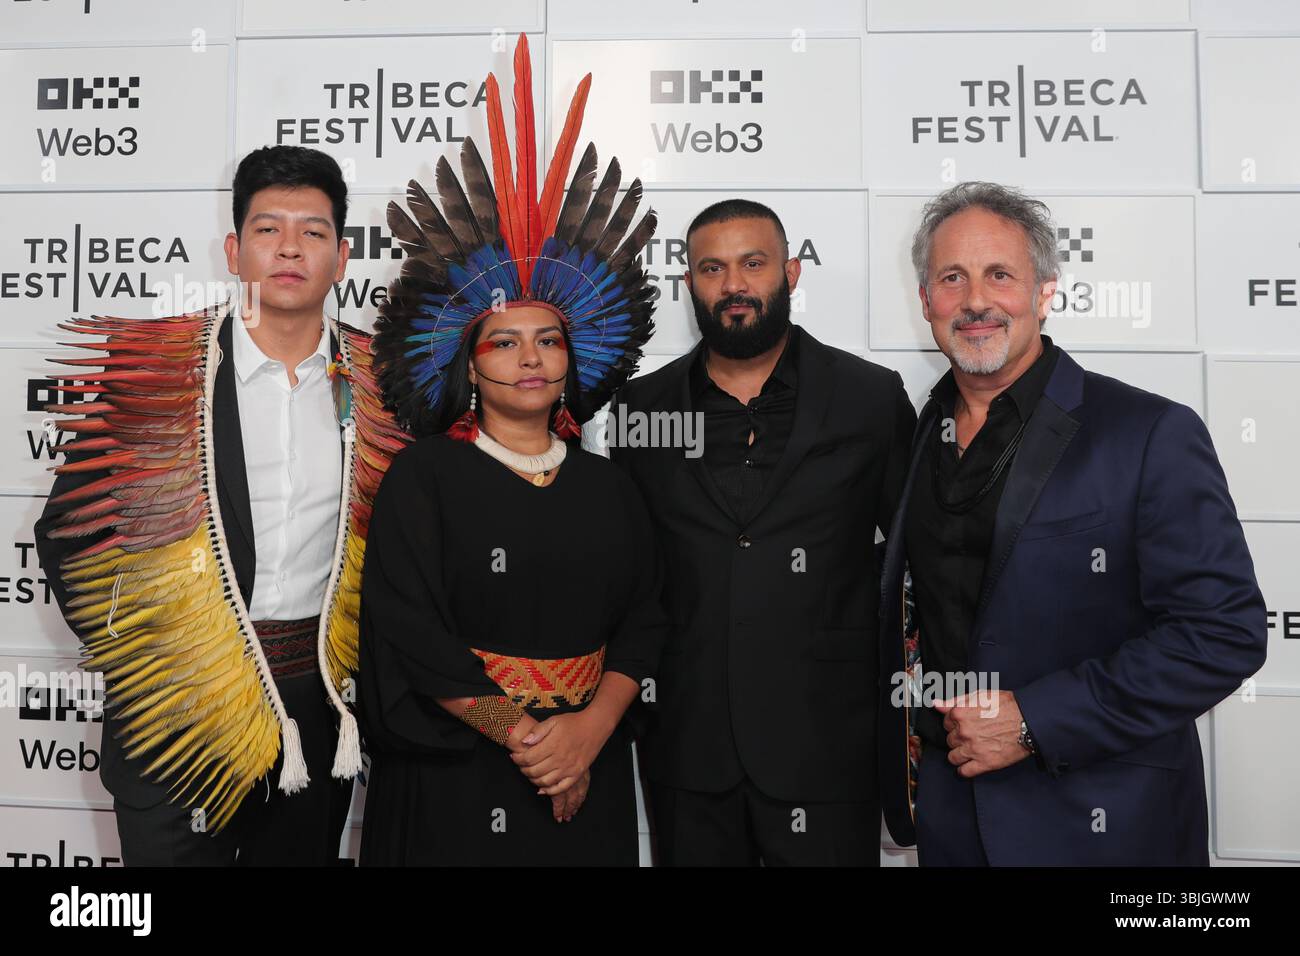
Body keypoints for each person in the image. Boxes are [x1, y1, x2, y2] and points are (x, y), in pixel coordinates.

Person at [34, 145, 404, 865]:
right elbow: (68, 535)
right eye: (267, 229)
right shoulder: (154, 371)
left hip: (314, 704)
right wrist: (153, 651)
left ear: (343, 256)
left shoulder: (384, 385)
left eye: (313, 231)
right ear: (234, 251)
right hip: (174, 709)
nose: (289, 247)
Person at [878, 181, 1267, 865]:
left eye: (1000, 275)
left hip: (1104, 826)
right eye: (951, 278)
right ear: (925, 302)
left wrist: (1034, 721)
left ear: (1044, 292)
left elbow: (1223, 633)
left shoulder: (1146, 432)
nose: (974, 301)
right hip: (953, 825)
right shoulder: (915, 434)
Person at [355, 33, 666, 866]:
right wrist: (531, 741)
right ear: (467, 363)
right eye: (503, 343)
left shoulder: (611, 487)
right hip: (454, 778)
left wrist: (587, 736)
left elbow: (645, 621)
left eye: (548, 341)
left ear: (573, 361)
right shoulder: (426, 477)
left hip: (588, 773)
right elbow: (407, 629)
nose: (530, 359)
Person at [609, 198, 916, 866]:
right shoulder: (641, 408)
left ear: (792, 273)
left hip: (831, 746)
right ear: (689, 283)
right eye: (712, 269)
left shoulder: (869, 397)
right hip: (686, 748)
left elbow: (913, 563)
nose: (734, 285)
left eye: (754, 263)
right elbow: (631, 579)